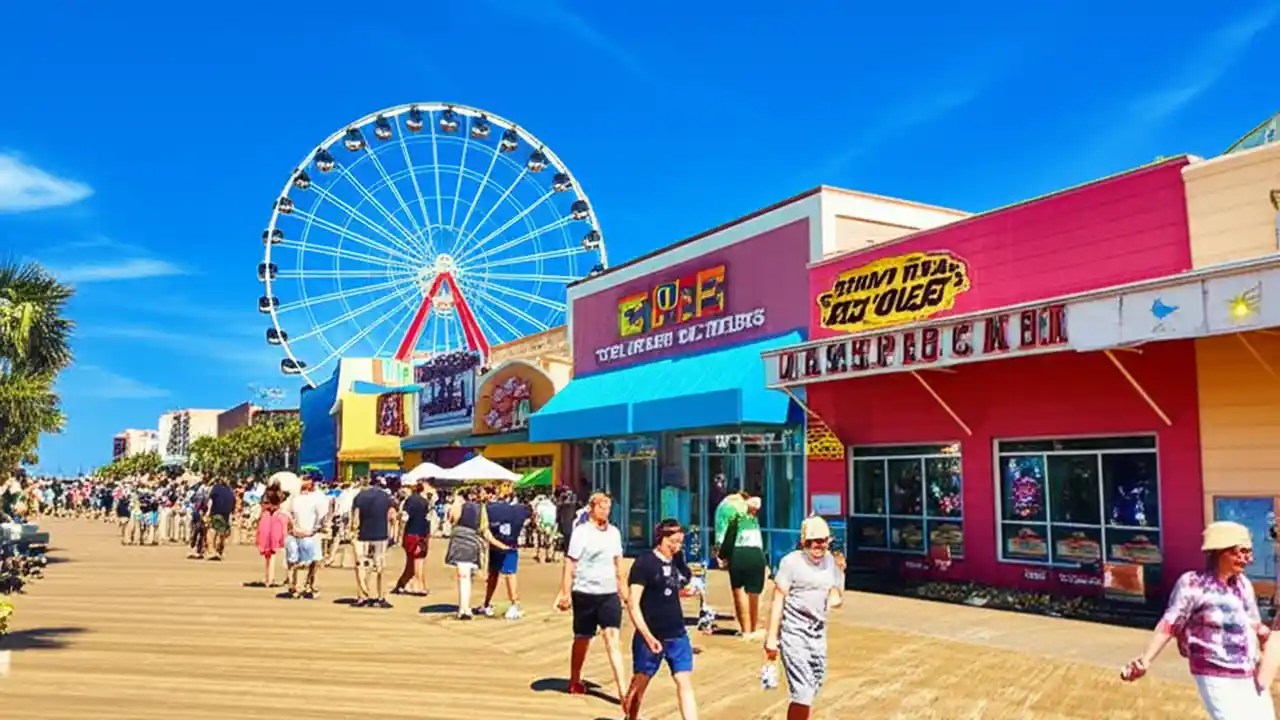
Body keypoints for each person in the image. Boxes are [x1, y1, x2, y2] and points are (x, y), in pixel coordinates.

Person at [1122, 521, 1274, 719]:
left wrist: (1265, 639)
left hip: (1248, 671)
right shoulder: (1192, 584)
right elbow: (1169, 625)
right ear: (1221, 551)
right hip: (1214, 672)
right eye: (1242, 551)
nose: (1249, 559)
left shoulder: (1243, 585)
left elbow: (1253, 623)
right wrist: (1145, 660)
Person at [764, 516, 845, 720]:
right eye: (814, 541)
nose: (820, 546)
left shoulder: (829, 562)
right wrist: (771, 638)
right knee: (803, 691)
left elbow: (835, 595)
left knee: (814, 685)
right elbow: (778, 599)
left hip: (818, 635)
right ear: (804, 542)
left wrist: (840, 576)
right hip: (794, 634)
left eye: (824, 541)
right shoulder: (791, 562)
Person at [622, 519, 699, 720]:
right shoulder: (644, 563)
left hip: (676, 633)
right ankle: (630, 716)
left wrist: (684, 591)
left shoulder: (677, 560)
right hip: (650, 634)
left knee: (684, 681)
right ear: (660, 539)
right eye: (672, 542)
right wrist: (647, 637)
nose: (676, 547)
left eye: (680, 542)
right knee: (641, 682)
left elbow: (672, 586)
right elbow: (633, 603)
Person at [554, 492, 628, 702]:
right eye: (601, 507)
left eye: (608, 507)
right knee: (583, 638)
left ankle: (623, 692)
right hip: (585, 593)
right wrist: (565, 592)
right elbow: (570, 563)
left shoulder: (614, 533)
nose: (605, 511)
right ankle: (575, 678)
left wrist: (623, 589)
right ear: (591, 508)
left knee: (612, 638)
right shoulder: (581, 532)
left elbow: (618, 562)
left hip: (608, 593)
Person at [479, 485, 530, 620]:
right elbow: (530, 517)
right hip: (510, 544)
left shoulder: (488, 509)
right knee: (508, 574)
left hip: (496, 545)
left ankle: (489, 603)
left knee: (495, 575)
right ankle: (514, 604)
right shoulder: (519, 509)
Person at [721, 496, 768, 639]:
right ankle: (754, 627)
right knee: (755, 593)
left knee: (739, 591)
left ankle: (745, 629)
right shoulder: (762, 521)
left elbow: (729, 540)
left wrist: (724, 556)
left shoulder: (737, 520)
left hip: (739, 554)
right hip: (757, 555)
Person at [444, 489, 491, 620]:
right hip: (474, 542)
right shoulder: (481, 509)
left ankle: (463, 608)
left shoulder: (458, 506)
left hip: (459, 541)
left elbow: (451, 520)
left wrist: (456, 503)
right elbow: (484, 529)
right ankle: (466, 607)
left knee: (463, 576)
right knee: (468, 576)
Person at [351, 476, 396, 608]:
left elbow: (355, 519)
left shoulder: (360, 496)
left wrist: (354, 531)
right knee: (380, 566)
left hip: (363, 535)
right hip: (380, 535)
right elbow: (392, 516)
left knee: (363, 566)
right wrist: (392, 534)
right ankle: (380, 597)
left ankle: (363, 596)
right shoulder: (386, 497)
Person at [284, 475, 329, 599]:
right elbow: (322, 516)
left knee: (299, 561)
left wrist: (293, 527)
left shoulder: (299, 498)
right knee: (309, 561)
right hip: (308, 534)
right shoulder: (305, 498)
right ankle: (304, 585)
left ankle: (299, 586)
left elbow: (286, 514)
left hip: (302, 533)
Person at [392, 482, 433, 596]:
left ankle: (402, 584)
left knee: (411, 561)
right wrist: (428, 534)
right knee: (418, 560)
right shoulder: (425, 502)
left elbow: (405, 517)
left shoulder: (409, 501)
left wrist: (400, 533)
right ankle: (419, 586)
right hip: (422, 534)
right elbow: (428, 519)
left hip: (410, 534)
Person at [253, 484, 288, 588]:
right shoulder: (279, 497)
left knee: (268, 554)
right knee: (271, 553)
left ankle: (269, 577)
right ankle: (270, 577)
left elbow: (263, 508)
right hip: (276, 521)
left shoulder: (266, 497)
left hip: (267, 521)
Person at [207, 477, 236, 561]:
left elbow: (211, 501)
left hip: (216, 512)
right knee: (221, 533)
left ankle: (212, 551)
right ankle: (219, 551)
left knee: (212, 532)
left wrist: (208, 513)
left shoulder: (216, 488)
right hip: (226, 514)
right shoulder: (230, 491)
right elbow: (233, 503)